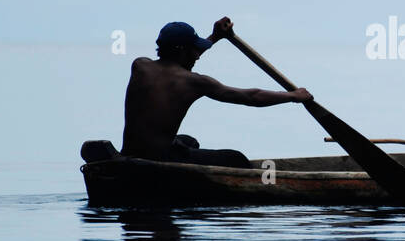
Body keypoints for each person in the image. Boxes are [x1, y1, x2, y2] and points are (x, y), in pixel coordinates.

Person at [120, 18, 312, 168]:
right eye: (195, 51)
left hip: (131, 152)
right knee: (236, 159)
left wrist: (216, 37)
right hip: (159, 159)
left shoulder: (140, 66)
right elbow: (250, 97)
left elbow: (177, 63)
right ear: (183, 51)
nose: (197, 56)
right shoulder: (195, 82)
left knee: (188, 141)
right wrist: (294, 96)